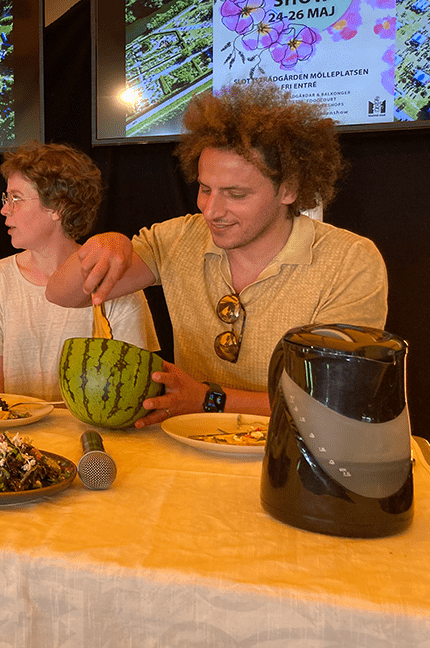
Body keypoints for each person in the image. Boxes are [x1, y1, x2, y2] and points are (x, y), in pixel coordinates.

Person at [46, 80, 388, 426]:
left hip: (295, 459)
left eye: (235, 194)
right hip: (192, 454)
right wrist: (103, 243)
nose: (211, 210)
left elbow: (336, 401)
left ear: (289, 189)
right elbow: (61, 293)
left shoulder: (349, 260)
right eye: (205, 189)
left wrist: (209, 399)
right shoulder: (177, 238)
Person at [0, 142, 159, 401]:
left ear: (57, 207)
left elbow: (132, 386)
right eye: (7, 198)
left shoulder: (113, 273)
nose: (5, 209)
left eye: (16, 198)